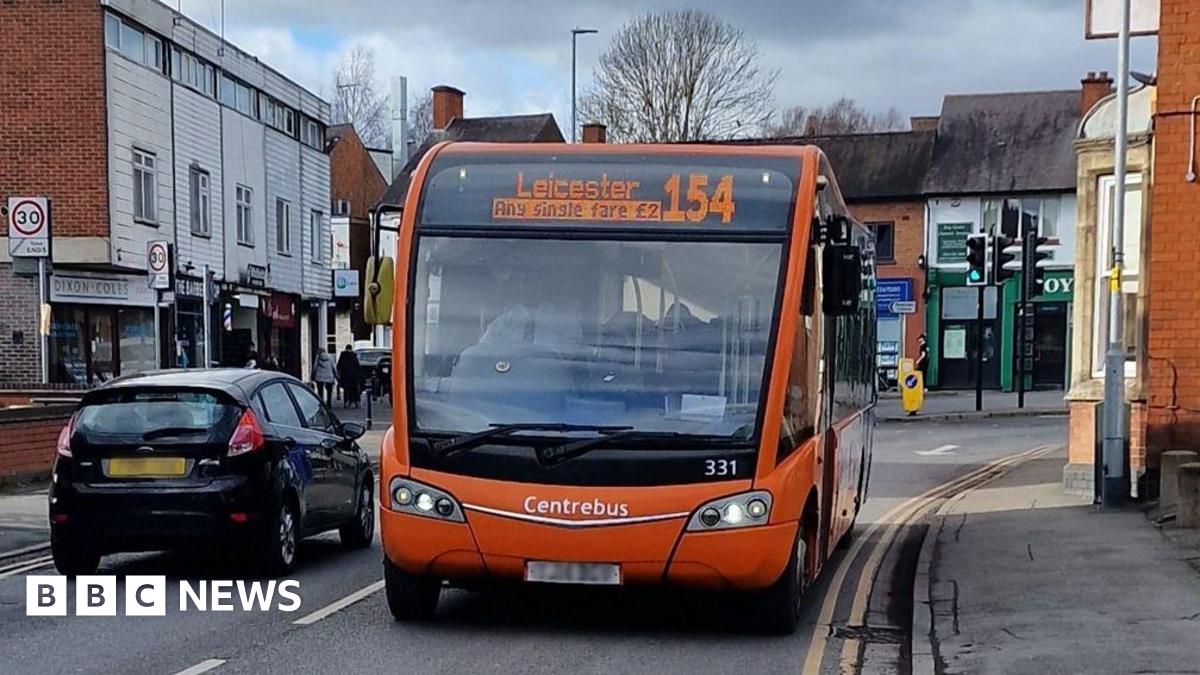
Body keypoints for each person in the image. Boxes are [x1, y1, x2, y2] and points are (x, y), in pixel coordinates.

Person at [336, 344, 361, 408]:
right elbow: (358, 366)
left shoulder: (343, 355)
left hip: (345, 376)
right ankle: (354, 402)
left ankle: (346, 402)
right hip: (353, 376)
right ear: (351, 349)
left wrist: (339, 374)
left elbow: (338, 366)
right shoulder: (354, 355)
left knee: (346, 390)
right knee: (354, 390)